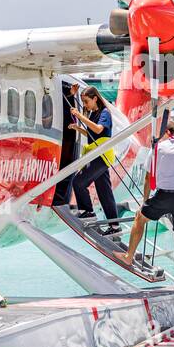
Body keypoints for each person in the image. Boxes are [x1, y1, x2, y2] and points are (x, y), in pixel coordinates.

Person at [123, 118, 174, 289]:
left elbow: (147, 178)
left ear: (166, 133)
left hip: (164, 196)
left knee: (140, 218)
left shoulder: (158, 149)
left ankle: (129, 256)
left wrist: (144, 201)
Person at [68, 86, 121, 235]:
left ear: (95, 98)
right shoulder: (94, 113)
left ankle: (88, 212)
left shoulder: (104, 113)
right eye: (83, 102)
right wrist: (77, 128)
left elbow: (98, 130)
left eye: (86, 101)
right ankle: (115, 227)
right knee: (104, 192)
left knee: (78, 182)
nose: (85, 105)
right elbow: (91, 133)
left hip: (102, 155)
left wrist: (79, 116)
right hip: (97, 153)